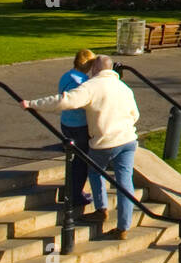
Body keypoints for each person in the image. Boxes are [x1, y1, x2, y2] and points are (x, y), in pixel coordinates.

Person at [23, 56, 140, 239]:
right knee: (125, 183)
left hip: (104, 142)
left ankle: (101, 210)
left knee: (94, 172)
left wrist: (32, 104)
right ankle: (123, 227)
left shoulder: (91, 87)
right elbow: (135, 115)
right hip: (127, 141)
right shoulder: (124, 88)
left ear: (95, 69)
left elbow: (64, 101)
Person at [56, 49, 96, 208]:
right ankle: (75, 194)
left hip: (66, 122)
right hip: (80, 125)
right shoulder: (84, 83)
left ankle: (70, 190)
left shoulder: (65, 76)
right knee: (81, 162)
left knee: (72, 159)